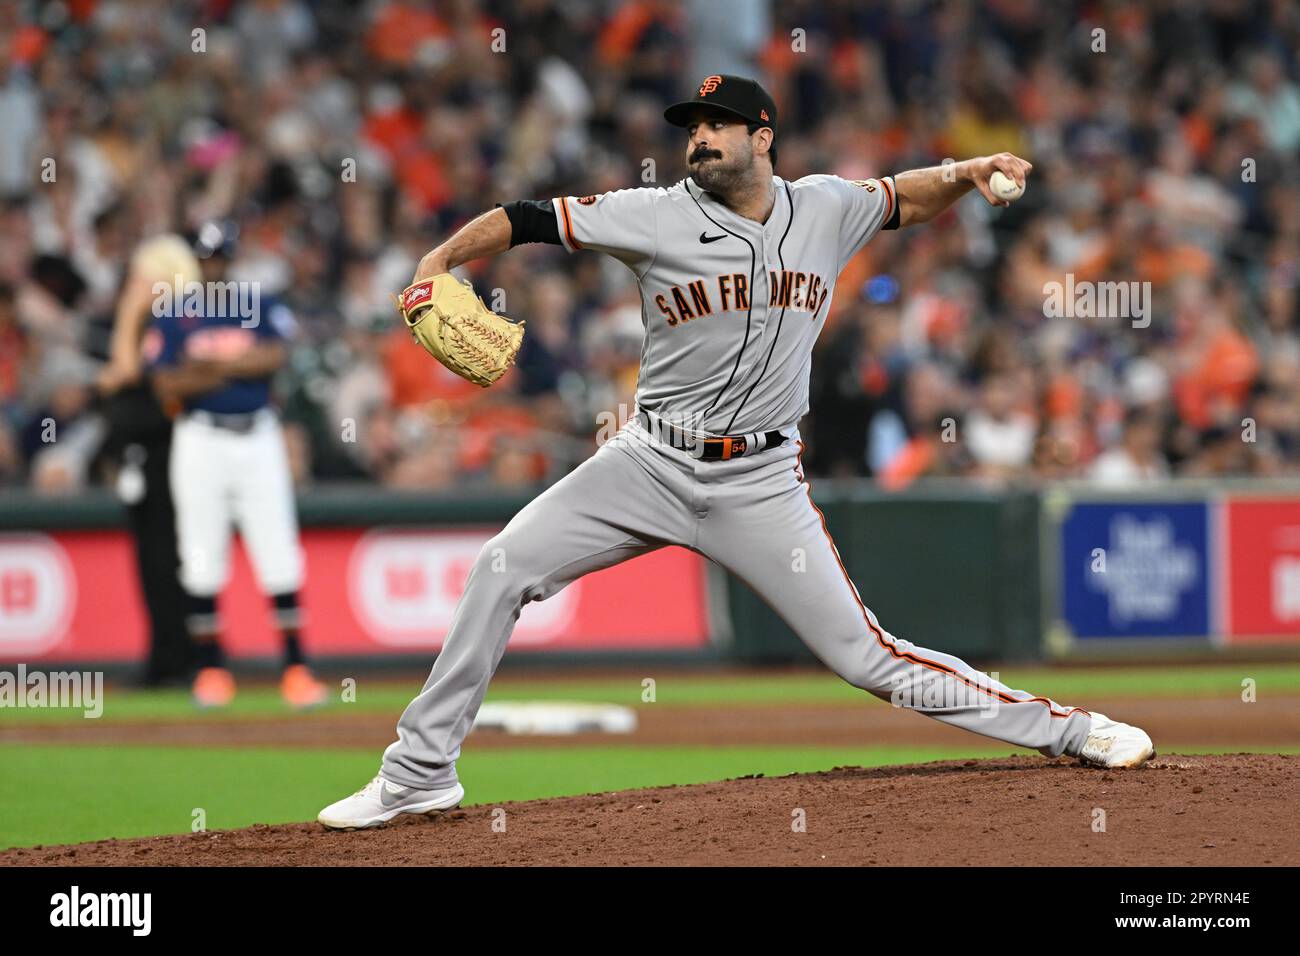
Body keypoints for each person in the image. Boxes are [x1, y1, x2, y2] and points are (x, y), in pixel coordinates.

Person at [319, 74, 1155, 830]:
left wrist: (964, 173)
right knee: (502, 567)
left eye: (718, 125)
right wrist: (438, 259)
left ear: (763, 138)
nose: (699, 139)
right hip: (647, 462)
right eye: (693, 127)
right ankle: (419, 773)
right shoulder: (651, 214)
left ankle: (1072, 730)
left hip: (760, 480)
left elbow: (904, 197)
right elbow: (528, 218)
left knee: (869, 658)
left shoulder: (824, 206)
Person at [146, 222, 327, 709]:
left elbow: (275, 357)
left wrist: (207, 368)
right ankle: (211, 672)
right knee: (201, 555)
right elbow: (166, 386)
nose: (215, 267)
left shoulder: (258, 302)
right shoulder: (175, 310)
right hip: (200, 437)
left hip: (257, 433)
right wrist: (235, 366)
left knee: (278, 551)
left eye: (220, 258)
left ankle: (295, 670)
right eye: (207, 259)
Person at [96, 234, 198, 686]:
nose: (134, 284)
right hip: (150, 453)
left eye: (144, 276)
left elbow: (125, 373)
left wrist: (129, 313)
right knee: (158, 561)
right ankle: (170, 655)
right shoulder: (160, 323)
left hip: (169, 453)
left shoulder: (174, 321)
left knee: (168, 559)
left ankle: (181, 659)